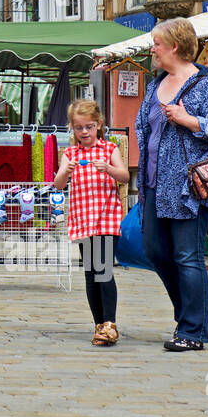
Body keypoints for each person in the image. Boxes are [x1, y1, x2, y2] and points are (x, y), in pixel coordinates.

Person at [135, 17, 208, 352]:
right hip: (153, 184)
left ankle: (192, 330)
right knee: (154, 251)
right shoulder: (155, 85)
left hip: (187, 186)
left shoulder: (206, 85)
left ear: (175, 47)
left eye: (157, 43)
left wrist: (189, 120)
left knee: (187, 255)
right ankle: (189, 315)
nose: (152, 49)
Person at [53, 98, 130, 347]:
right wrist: (66, 171)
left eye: (89, 127)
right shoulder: (70, 153)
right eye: (79, 128)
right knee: (90, 273)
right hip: (83, 220)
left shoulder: (109, 149)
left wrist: (108, 168)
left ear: (99, 125)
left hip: (106, 218)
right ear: (72, 128)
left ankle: (110, 323)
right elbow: (58, 184)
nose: (84, 132)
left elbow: (124, 176)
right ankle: (99, 325)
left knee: (103, 269)